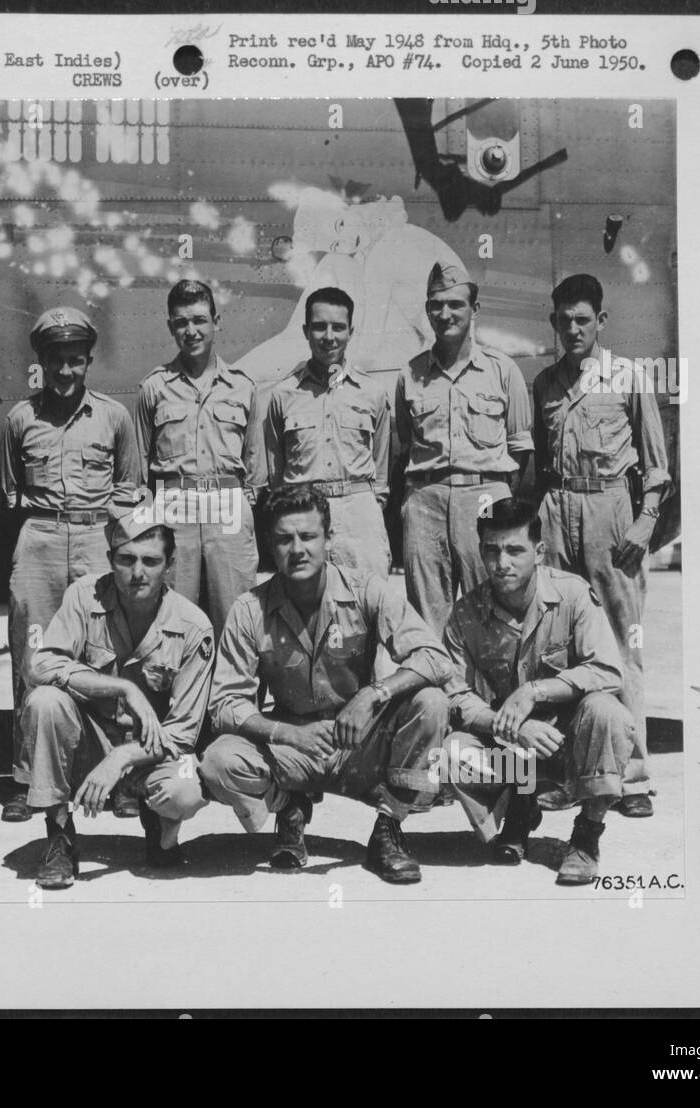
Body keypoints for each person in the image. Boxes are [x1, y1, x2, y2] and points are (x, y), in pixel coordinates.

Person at [200, 485, 452, 883]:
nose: (296, 549)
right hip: (291, 747)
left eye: (308, 536)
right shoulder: (250, 609)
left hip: (359, 743)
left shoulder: (365, 589)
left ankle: (389, 828)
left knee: (431, 702)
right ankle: (289, 806)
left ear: (329, 540)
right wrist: (285, 733)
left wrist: (374, 693)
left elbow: (435, 658)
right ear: (270, 544)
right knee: (218, 762)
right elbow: (226, 703)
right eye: (284, 539)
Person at [437, 497, 635, 885]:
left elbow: (609, 671)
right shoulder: (465, 615)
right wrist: (506, 726)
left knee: (606, 711)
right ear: (480, 551)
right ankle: (519, 809)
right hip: (512, 751)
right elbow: (454, 695)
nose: (502, 563)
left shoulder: (573, 595)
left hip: (567, 747)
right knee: (451, 752)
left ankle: (586, 835)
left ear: (539, 552)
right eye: (492, 551)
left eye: (515, 550)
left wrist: (535, 690)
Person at [532, 274, 672, 818]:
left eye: (582, 319)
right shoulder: (545, 384)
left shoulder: (629, 378)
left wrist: (645, 524)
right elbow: (538, 467)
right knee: (557, 649)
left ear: (601, 322)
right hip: (556, 513)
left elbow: (658, 470)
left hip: (610, 515)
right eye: (564, 320)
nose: (573, 329)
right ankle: (572, 773)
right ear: (553, 323)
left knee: (620, 646)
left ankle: (632, 777)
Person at [19, 505, 214, 890]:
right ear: (110, 560)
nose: (137, 572)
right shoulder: (83, 596)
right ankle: (59, 836)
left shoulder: (194, 627)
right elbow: (39, 666)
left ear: (169, 564)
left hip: (148, 753)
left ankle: (162, 828)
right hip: (88, 743)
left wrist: (122, 757)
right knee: (44, 701)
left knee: (187, 788)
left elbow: (184, 735)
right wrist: (123, 688)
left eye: (150, 561)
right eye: (126, 560)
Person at [0, 306, 141, 822]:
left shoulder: (114, 417)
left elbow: (129, 486)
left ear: (89, 361)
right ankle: (26, 775)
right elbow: (10, 491)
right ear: (41, 361)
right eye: (56, 361)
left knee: (104, 649)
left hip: (96, 535)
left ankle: (117, 773)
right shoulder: (21, 419)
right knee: (32, 651)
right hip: (38, 534)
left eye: (75, 361)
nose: (65, 372)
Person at [395, 260, 533, 632]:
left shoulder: (503, 370)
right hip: (426, 498)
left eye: (455, 304)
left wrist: (495, 500)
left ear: (475, 310)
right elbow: (407, 443)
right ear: (427, 310)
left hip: (485, 498)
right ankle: (435, 689)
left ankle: (492, 691)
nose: (445, 313)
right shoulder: (410, 374)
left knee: (493, 608)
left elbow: (520, 449)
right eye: (436, 305)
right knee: (427, 618)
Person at [135, 279, 263, 635]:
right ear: (170, 327)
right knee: (173, 622)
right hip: (174, 508)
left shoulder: (243, 386)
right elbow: (141, 470)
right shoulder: (154, 388)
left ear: (216, 322)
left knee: (238, 617)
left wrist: (239, 504)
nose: (191, 331)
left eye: (199, 320)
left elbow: (255, 466)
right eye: (181, 322)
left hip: (228, 504)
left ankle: (237, 692)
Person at [262, 287, 393, 580]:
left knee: (366, 604)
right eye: (320, 327)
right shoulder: (284, 395)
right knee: (305, 609)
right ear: (306, 330)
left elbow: (381, 471)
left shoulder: (372, 393)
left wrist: (368, 506)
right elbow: (276, 476)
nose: (329, 336)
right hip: (304, 515)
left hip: (358, 516)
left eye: (338, 327)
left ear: (351, 331)